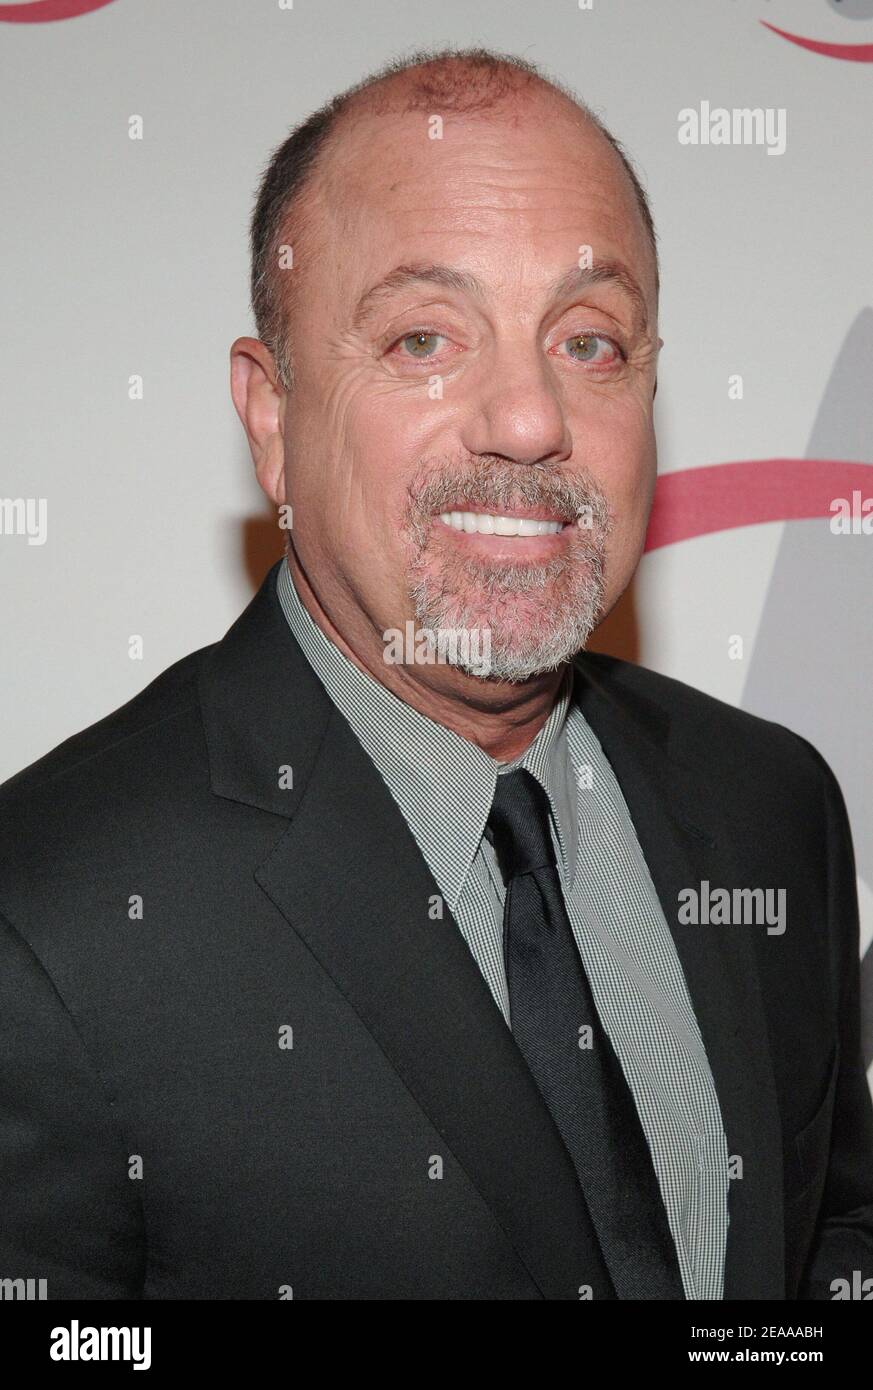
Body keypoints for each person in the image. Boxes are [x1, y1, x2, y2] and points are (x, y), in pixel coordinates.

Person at [1, 46, 871, 1301]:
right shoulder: (48, 916)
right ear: (271, 419)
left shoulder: (774, 807)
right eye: (423, 337)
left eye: (589, 342)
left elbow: (833, 1234)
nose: (527, 420)